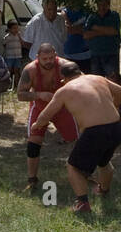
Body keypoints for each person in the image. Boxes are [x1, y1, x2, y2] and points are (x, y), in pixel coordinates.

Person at [30, 64, 121, 216]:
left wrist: (36, 125)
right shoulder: (98, 78)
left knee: (73, 167)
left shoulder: (64, 90)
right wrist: (115, 106)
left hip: (94, 131)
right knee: (103, 162)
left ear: (64, 80)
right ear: (81, 72)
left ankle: (82, 203)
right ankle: (104, 190)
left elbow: (46, 115)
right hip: (115, 127)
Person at [18, 43, 79, 192]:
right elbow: (20, 94)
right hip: (39, 107)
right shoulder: (30, 70)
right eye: (45, 59)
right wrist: (39, 95)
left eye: (52, 57)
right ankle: (32, 179)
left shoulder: (65, 66)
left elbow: (81, 84)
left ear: (56, 55)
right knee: (33, 142)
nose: (49, 61)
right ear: (38, 57)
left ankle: (83, 172)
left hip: (61, 107)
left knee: (78, 140)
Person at [83, 0, 121, 82]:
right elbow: (86, 35)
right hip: (95, 55)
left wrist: (95, 27)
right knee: (96, 83)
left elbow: (113, 31)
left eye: (105, 5)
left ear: (109, 4)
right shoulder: (91, 16)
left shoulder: (114, 15)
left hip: (111, 55)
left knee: (113, 81)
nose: (102, 7)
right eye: (100, 5)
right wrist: (105, 31)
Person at [62, 0, 93, 71]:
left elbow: (90, 31)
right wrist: (82, 29)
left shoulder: (87, 12)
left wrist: (75, 28)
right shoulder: (64, 12)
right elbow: (69, 30)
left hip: (87, 53)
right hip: (70, 54)